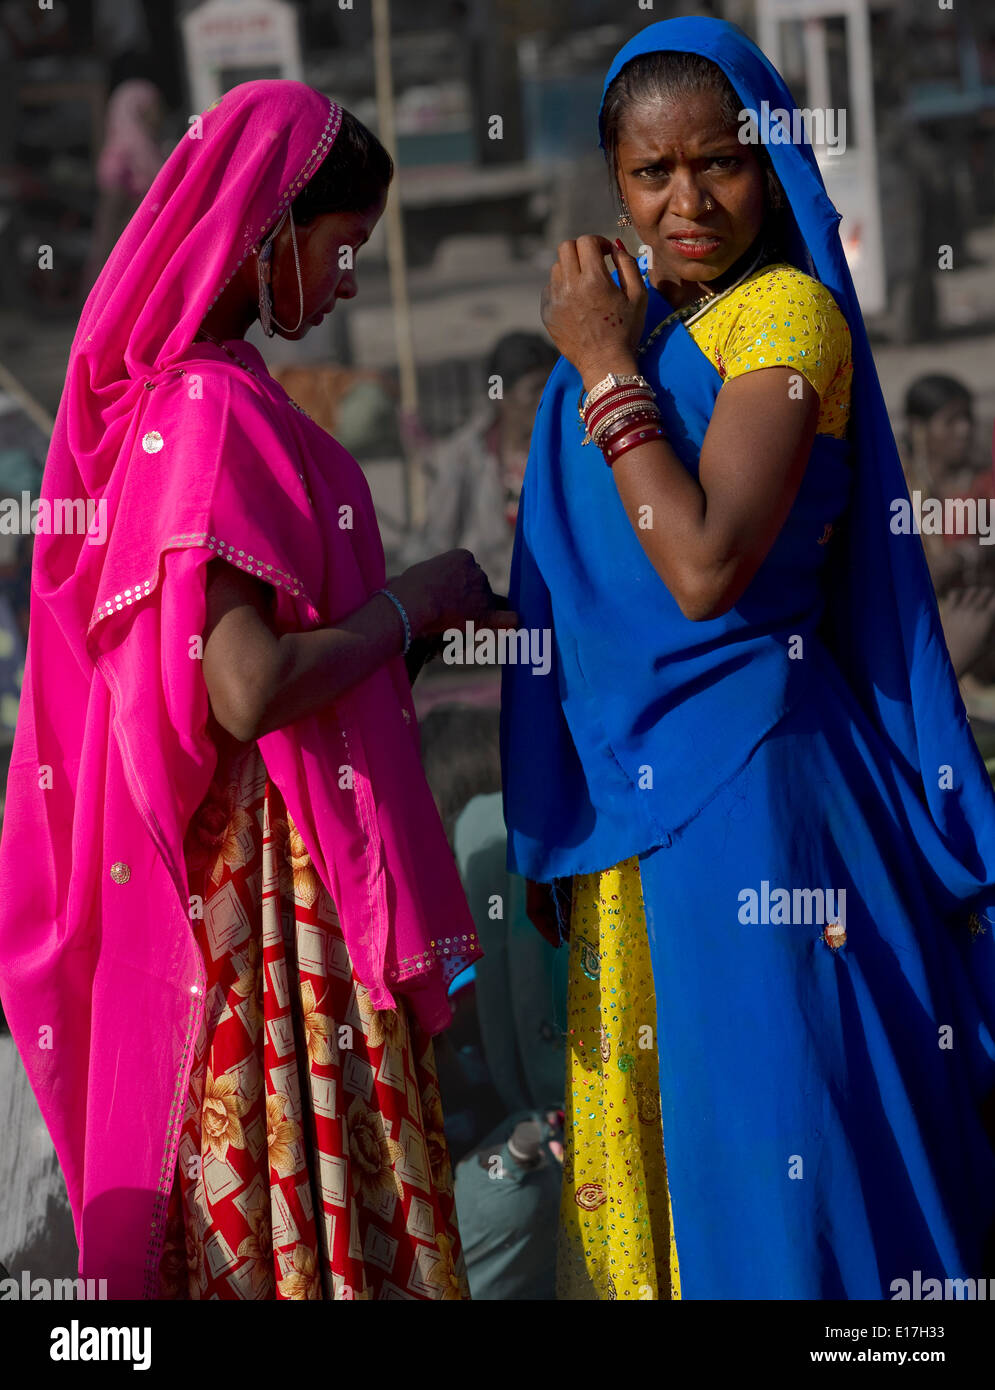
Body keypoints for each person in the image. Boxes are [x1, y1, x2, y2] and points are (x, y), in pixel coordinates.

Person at [501, 18, 995, 1301]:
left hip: (756, 805)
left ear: (770, 163)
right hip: (637, 815)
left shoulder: (785, 322)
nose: (686, 202)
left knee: (781, 1157)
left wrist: (602, 362)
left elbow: (705, 562)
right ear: (613, 185)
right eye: (652, 174)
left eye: (717, 164)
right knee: (672, 1174)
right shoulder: (637, 327)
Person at [0, 81, 518, 1301]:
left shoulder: (186, 393)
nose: (344, 286)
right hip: (274, 894)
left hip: (246, 873)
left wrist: (393, 637)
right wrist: (412, 604)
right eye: (341, 252)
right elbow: (244, 686)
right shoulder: (211, 408)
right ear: (272, 228)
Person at [399, 332, 558, 596]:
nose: (546, 399)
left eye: (550, 387)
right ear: (502, 397)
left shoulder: (567, 448)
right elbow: (438, 541)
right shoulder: (465, 455)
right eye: (534, 389)